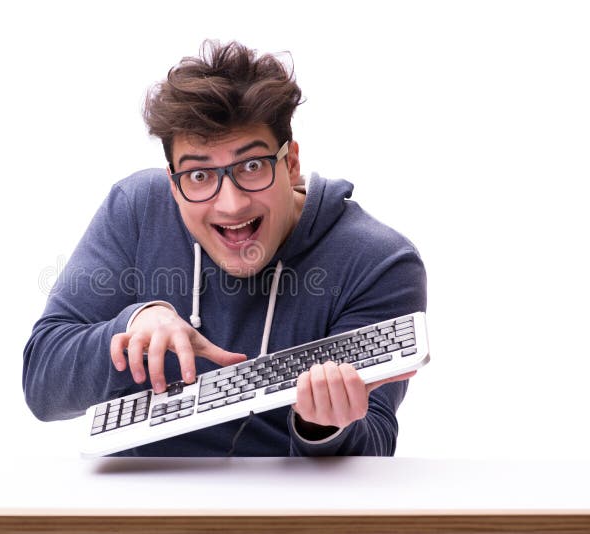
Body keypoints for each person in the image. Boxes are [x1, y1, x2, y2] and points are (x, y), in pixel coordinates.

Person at [23, 40, 426, 456]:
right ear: (173, 184)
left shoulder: (378, 262)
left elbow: (375, 452)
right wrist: (133, 327)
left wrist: (322, 427)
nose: (230, 204)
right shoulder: (137, 210)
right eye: (198, 175)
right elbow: (42, 385)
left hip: (285, 512)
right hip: (137, 508)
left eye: (252, 167)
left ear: (290, 164)